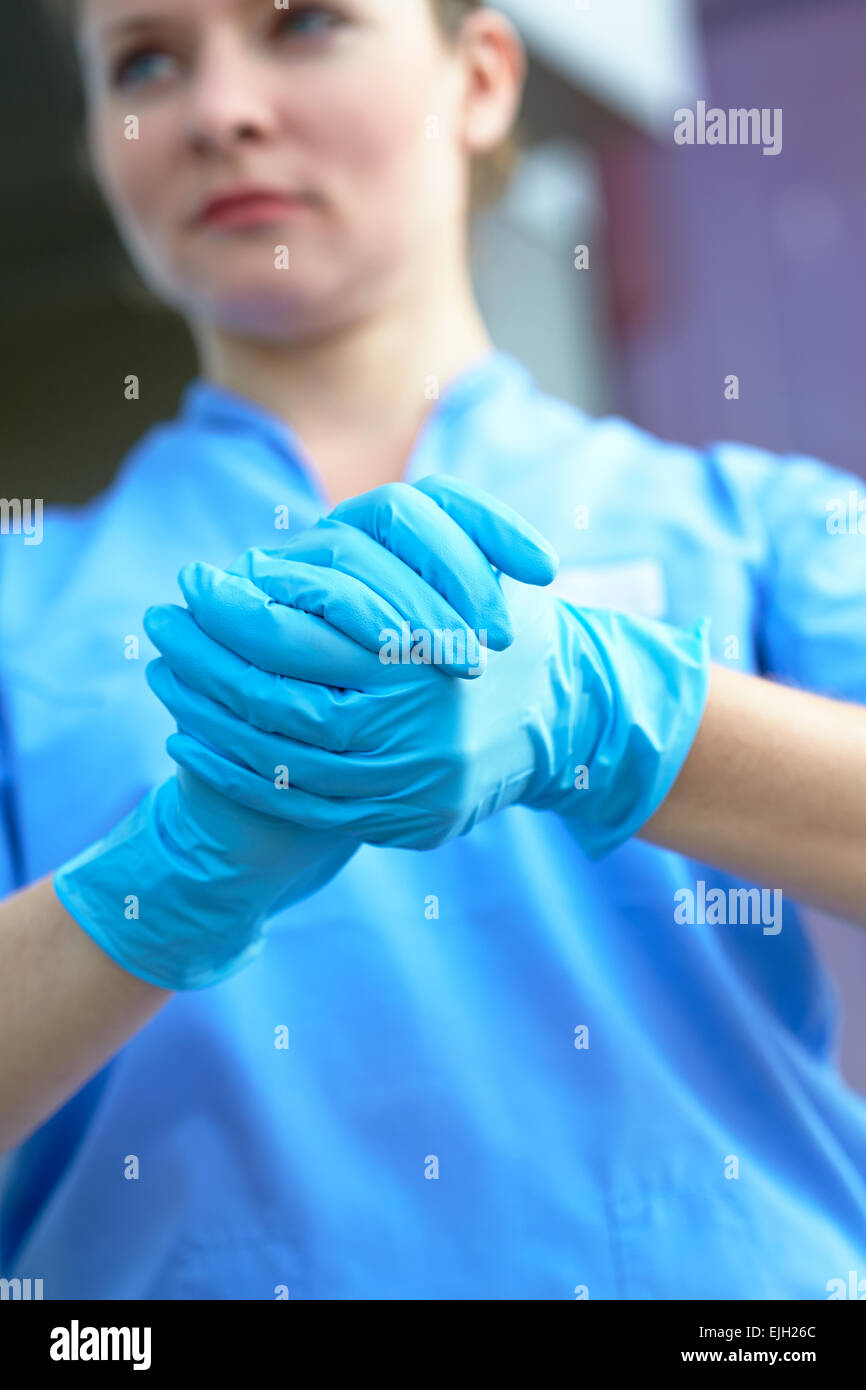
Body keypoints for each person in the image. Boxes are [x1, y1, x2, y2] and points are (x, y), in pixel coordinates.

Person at [1, 0, 865, 1300]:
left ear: (479, 79)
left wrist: (619, 711)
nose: (218, 111)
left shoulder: (767, 528)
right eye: (146, 60)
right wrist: (161, 882)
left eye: (303, 24)